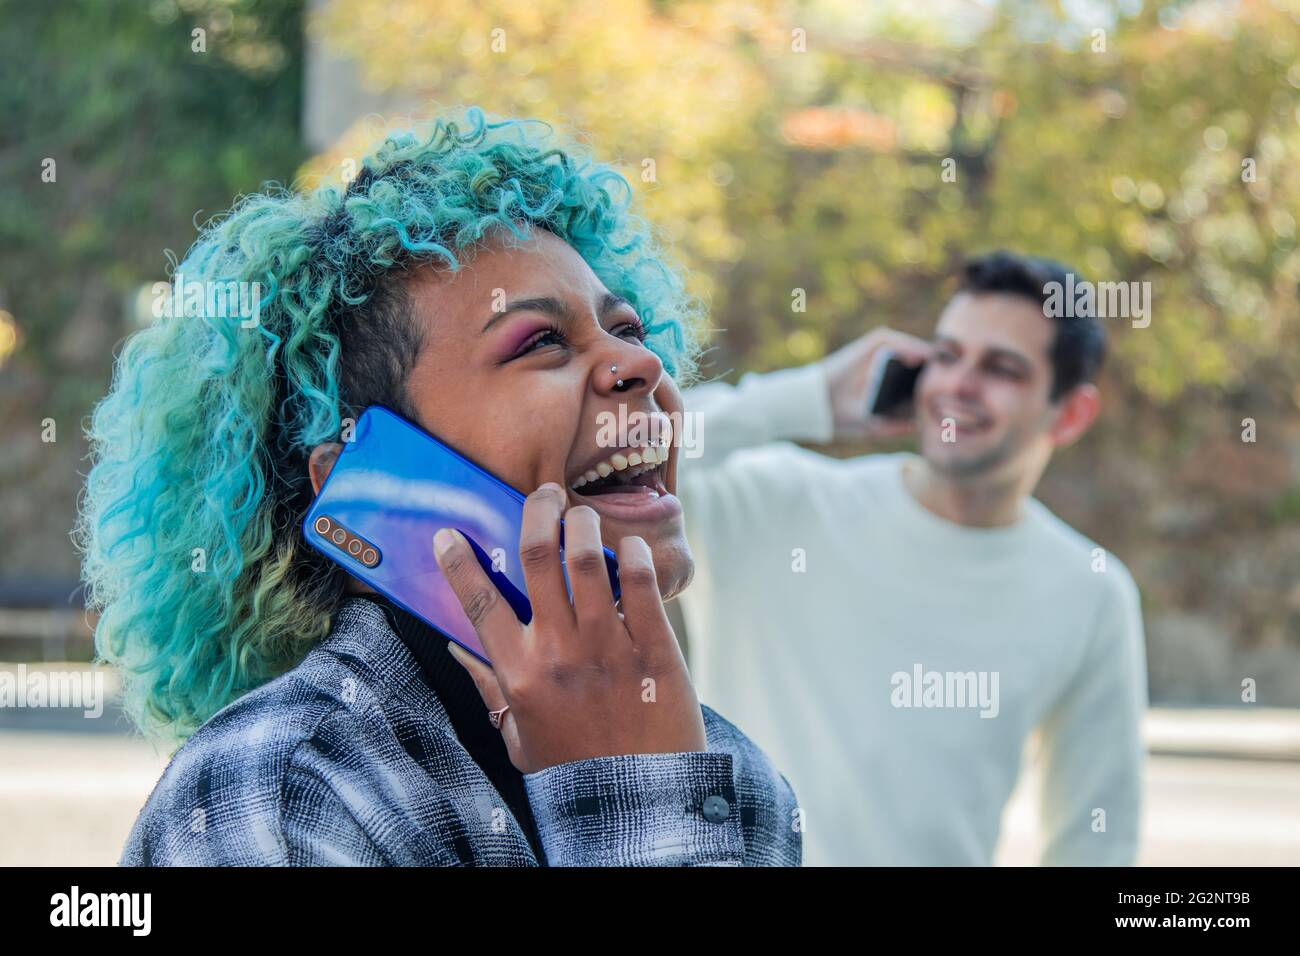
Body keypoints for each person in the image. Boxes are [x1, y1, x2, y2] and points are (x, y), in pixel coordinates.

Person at [77, 107, 800, 866]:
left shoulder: (733, 776)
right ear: (365, 485)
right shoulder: (282, 791)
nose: (641, 366)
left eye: (629, 331)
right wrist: (630, 797)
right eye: (542, 341)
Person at [675, 251, 1148, 866]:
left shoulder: (1091, 592)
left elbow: (1095, 844)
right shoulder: (771, 502)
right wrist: (812, 396)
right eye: (947, 355)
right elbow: (619, 449)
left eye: (1001, 368)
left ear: (1072, 412)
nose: (958, 385)